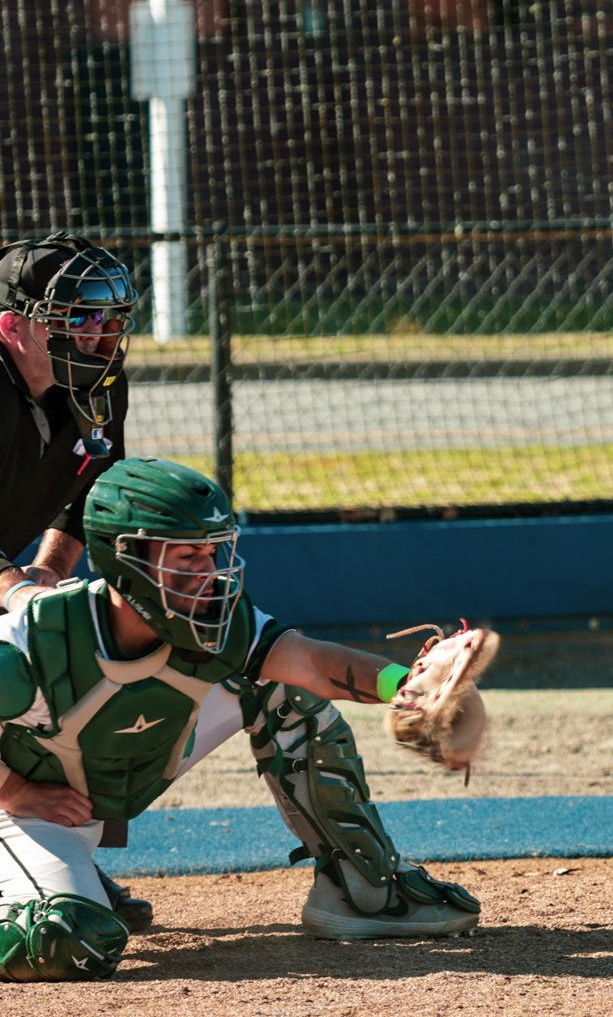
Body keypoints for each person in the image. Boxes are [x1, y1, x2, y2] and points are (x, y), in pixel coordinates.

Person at [0, 457, 482, 982]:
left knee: (278, 685)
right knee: (62, 942)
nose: (208, 574)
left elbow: (310, 663)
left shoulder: (214, 622)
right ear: (125, 561)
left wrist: (406, 687)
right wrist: (13, 790)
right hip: (29, 814)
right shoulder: (37, 640)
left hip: (87, 793)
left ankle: (363, 888)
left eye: (212, 553)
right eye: (187, 558)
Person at [0, 234, 148, 927]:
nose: (101, 336)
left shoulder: (97, 386)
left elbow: (92, 499)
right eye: (79, 318)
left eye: (112, 319)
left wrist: (46, 576)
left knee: (81, 647)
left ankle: (64, 856)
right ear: (12, 325)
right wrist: (16, 593)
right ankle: (14, 809)